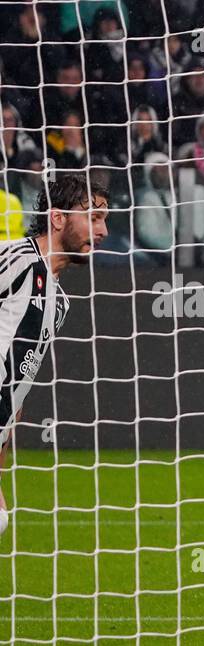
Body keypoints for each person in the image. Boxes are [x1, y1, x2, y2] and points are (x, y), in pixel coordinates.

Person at [0, 174, 109, 533]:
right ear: (59, 218)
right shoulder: (14, 258)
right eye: (93, 217)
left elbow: (17, 392)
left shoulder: (59, 303)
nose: (103, 230)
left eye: (104, 219)